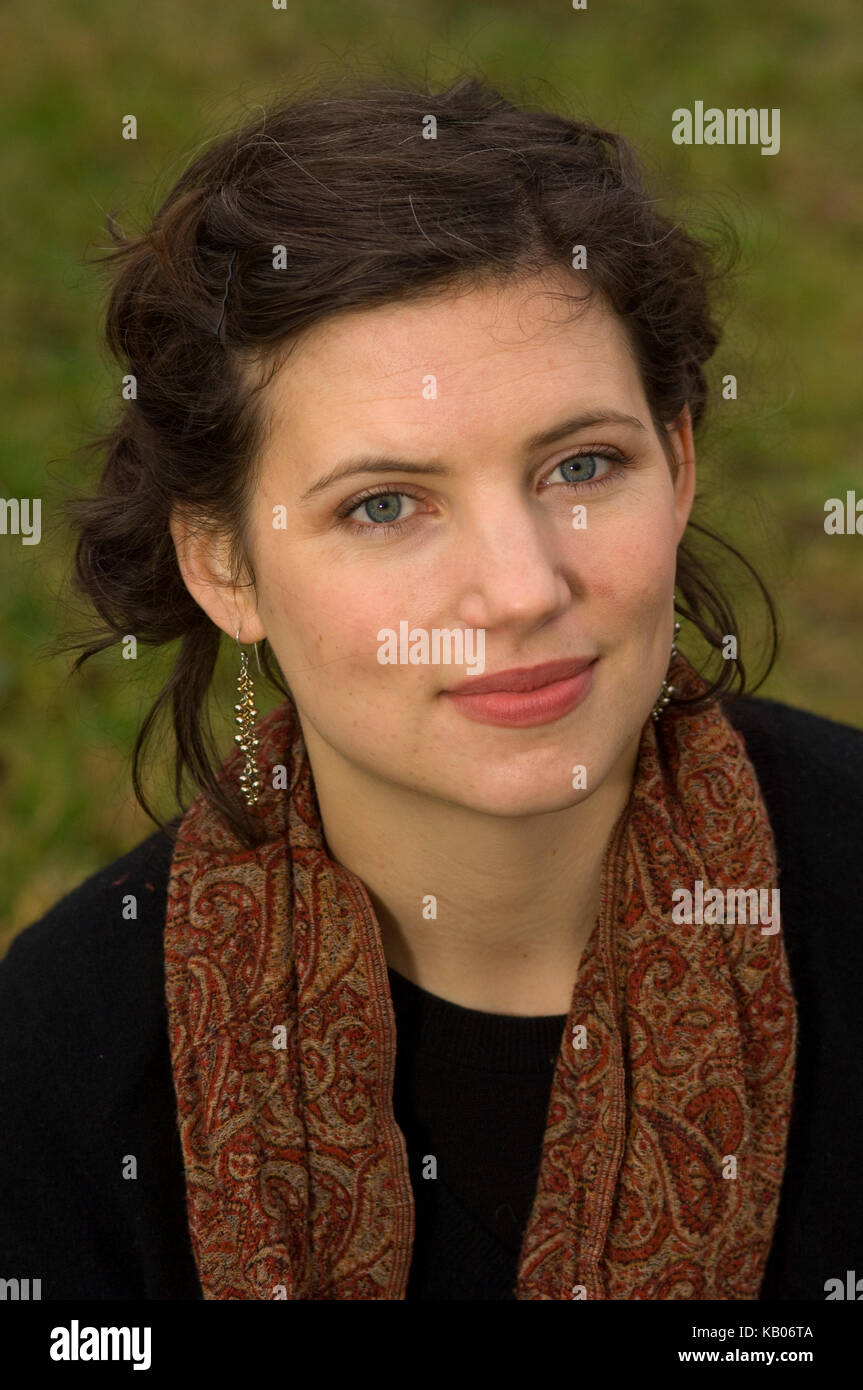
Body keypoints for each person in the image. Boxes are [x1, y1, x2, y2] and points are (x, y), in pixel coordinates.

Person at [1, 73, 861, 1302]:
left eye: (579, 463)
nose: (517, 589)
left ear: (676, 466)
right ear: (222, 563)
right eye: (385, 504)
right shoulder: (60, 1059)